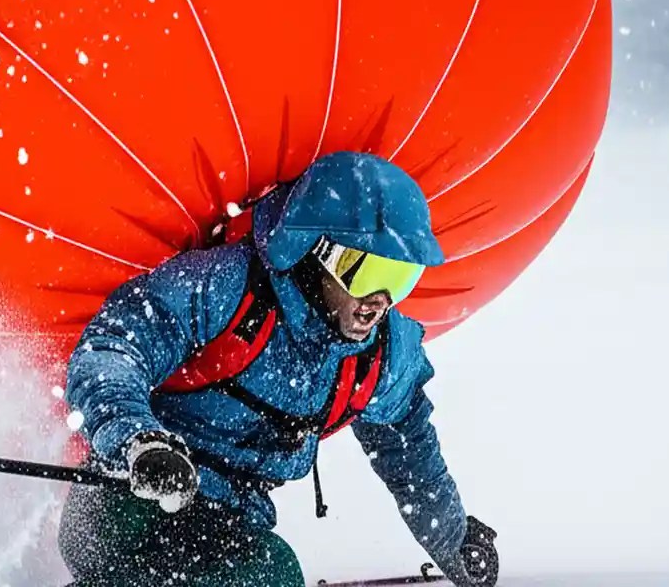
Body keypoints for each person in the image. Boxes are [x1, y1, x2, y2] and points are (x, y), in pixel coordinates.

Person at [57, 152, 499, 587]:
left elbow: (408, 448)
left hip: (224, 524)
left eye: (400, 279)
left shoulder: (379, 356)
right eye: (364, 274)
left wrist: (452, 539)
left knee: (272, 572)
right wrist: (141, 442)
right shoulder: (229, 288)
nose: (379, 301)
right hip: (127, 491)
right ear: (315, 251)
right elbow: (112, 350)